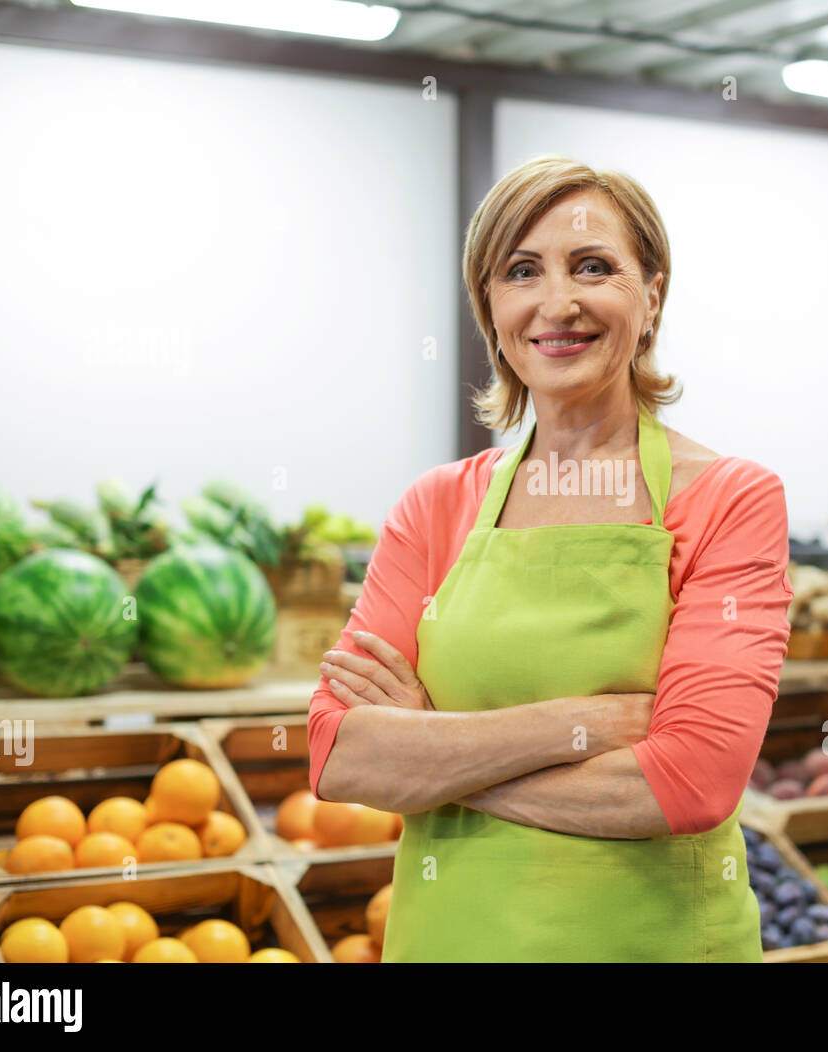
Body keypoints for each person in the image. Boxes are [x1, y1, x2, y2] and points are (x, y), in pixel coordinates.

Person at [309, 155, 793, 962]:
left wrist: (435, 749)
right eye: (521, 271)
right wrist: (586, 726)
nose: (557, 303)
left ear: (652, 298)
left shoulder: (730, 499)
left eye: (594, 267)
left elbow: (691, 781)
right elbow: (340, 754)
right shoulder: (435, 507)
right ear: (491, 306)